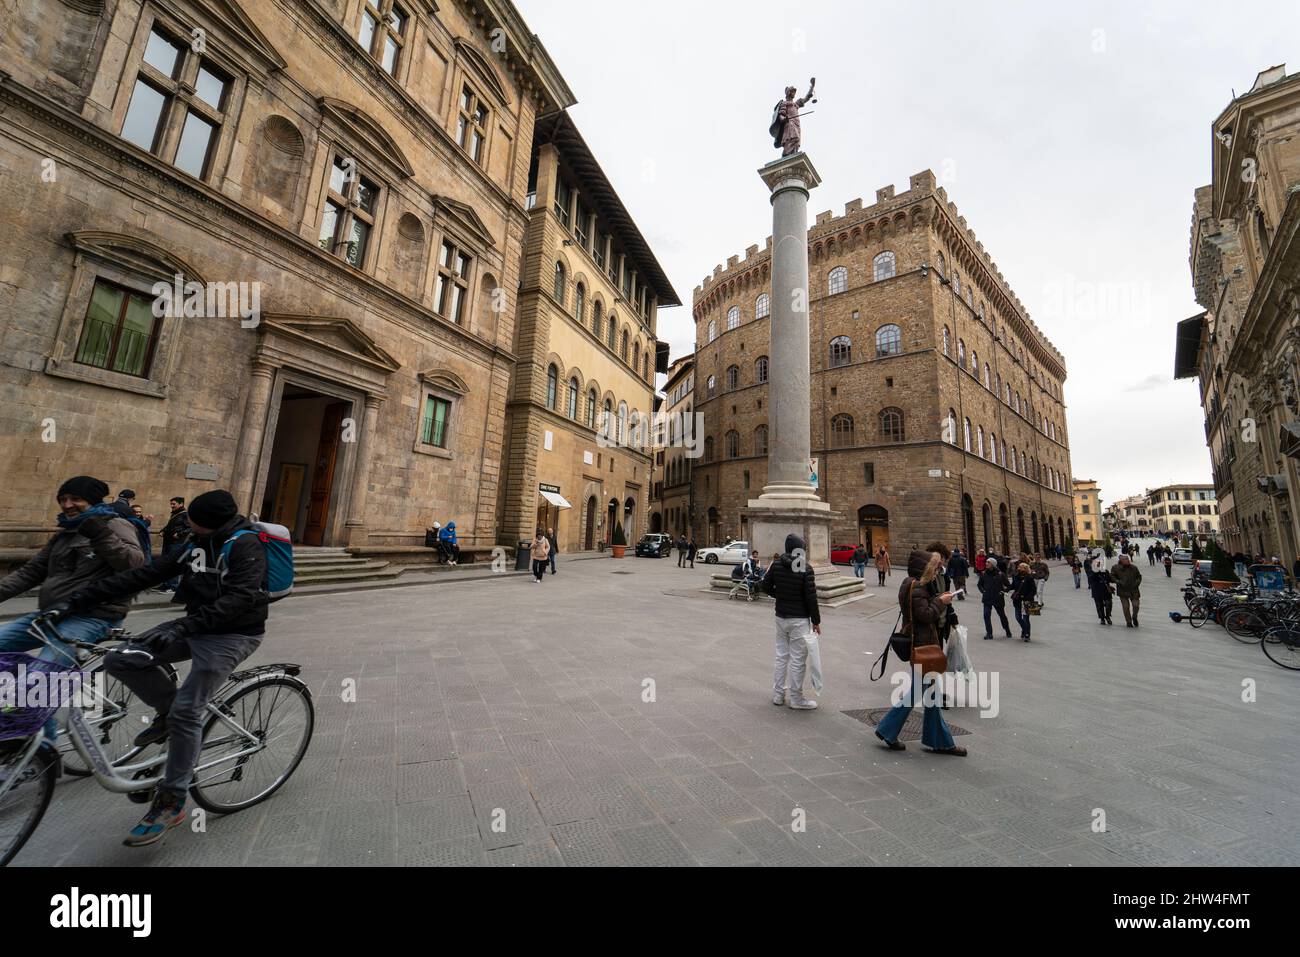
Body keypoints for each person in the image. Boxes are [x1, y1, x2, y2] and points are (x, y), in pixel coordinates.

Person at [61, 489, 268, 847]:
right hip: (196, 625)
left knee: (189, 711)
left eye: (192, 518)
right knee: (120, 657)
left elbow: (241, 598)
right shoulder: (196, 541)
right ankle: (168, 714)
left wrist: (181, 627)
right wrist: (88, 595)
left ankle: (172, 801)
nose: (186, 520)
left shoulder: (246, 545)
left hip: (232, 635)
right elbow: (150, 573)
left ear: (205, 521)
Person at [0, 476, 146, 737]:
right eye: (63, 499)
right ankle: (25, 713)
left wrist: (100, 534)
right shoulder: (65, 533)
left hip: (93, 617)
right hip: (51, 614)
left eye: (75, 499)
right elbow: (31, 572)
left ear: (92, 501)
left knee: (38, 681)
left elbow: (134, 564)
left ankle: (41, 750)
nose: (67, 505)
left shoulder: (115, 524)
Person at [874, 549, 965, 756]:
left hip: (922, 643)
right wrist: (941, 602)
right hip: (923, 645)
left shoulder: (912, 585)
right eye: (933, 569)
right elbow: (924, 615)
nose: (935, 573)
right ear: (923, 569)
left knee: (931, 694)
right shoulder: (917, 588)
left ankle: (938, 740)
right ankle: (887, 729)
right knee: (919, 691)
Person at [761, 534, 820, 710]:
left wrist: (779, 596)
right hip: (799, 620)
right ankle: (796, 698)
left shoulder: (777, 564)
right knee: (797, 660)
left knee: (781, 657)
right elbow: (811, 597)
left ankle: (778, 695)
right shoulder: (805, 568)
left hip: (781, 617)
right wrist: (816, 621)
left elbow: (764, 586)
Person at [159, 496, 191, 591]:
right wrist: (163, 530)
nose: (171, 506)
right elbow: (170, 526)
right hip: (168, 542)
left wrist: (180, 534)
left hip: (176, 543)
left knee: (173, 564)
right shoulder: (174, 514)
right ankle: (165, 584)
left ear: (181, 504)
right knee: (166, 563)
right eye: (171, 504)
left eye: (174, 504)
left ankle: (173, 586)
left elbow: (189, 528)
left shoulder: (185, 515)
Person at [977, 557, 1013, 640]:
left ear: (993, 564)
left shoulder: (1000, 574)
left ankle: (1007, 630)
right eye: (986, 562)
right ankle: (989, 633)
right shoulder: (984, 573)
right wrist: (983, 591)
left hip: (998, 598)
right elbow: (979, 585)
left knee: (1002, 615)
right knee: (986, 616)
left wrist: (1003, 591)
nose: (986, 564)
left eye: (988, 562)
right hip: (987, 598)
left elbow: (1008, 585)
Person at [1111, 554, 1142, 628]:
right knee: (1125, 607)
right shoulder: (1115, 568)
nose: (1127, 560)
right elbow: (1112, 576)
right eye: (1125, 559)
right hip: (1123, 590)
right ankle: (1128, 621)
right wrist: (1118, 582)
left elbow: (1139, 576)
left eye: (1128, 559)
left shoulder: (1134, 568)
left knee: (1136, 605)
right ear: (1121, 561)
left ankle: (1134, 617)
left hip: (1133, 590)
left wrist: (1136, 583)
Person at [1009, 562, 1037, 642]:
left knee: (1026, 618)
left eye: (1022, 567)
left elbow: (1033, 590)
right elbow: (1013, 586)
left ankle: (1027, 634)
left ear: (1026, 569)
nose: (1020, 568)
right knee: (1018, 617)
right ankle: (1024, 629)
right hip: (1017, 600)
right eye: (1019, 567)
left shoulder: (1029, 577)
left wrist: (1028, 597)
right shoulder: (1015, 576)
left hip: (1027, 601)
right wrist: (1006, 589)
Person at [1089, 555, 1115, 625]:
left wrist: (1114, 579)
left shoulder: (1105, 571)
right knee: (1099, 605)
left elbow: (1109, 579)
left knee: (1109, 604)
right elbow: (1091, 579)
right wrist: (1096, 570)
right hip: (1097, 590)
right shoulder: (1091, 571)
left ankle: (1108, 616)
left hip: (1106, 590)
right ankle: (1102, 618)